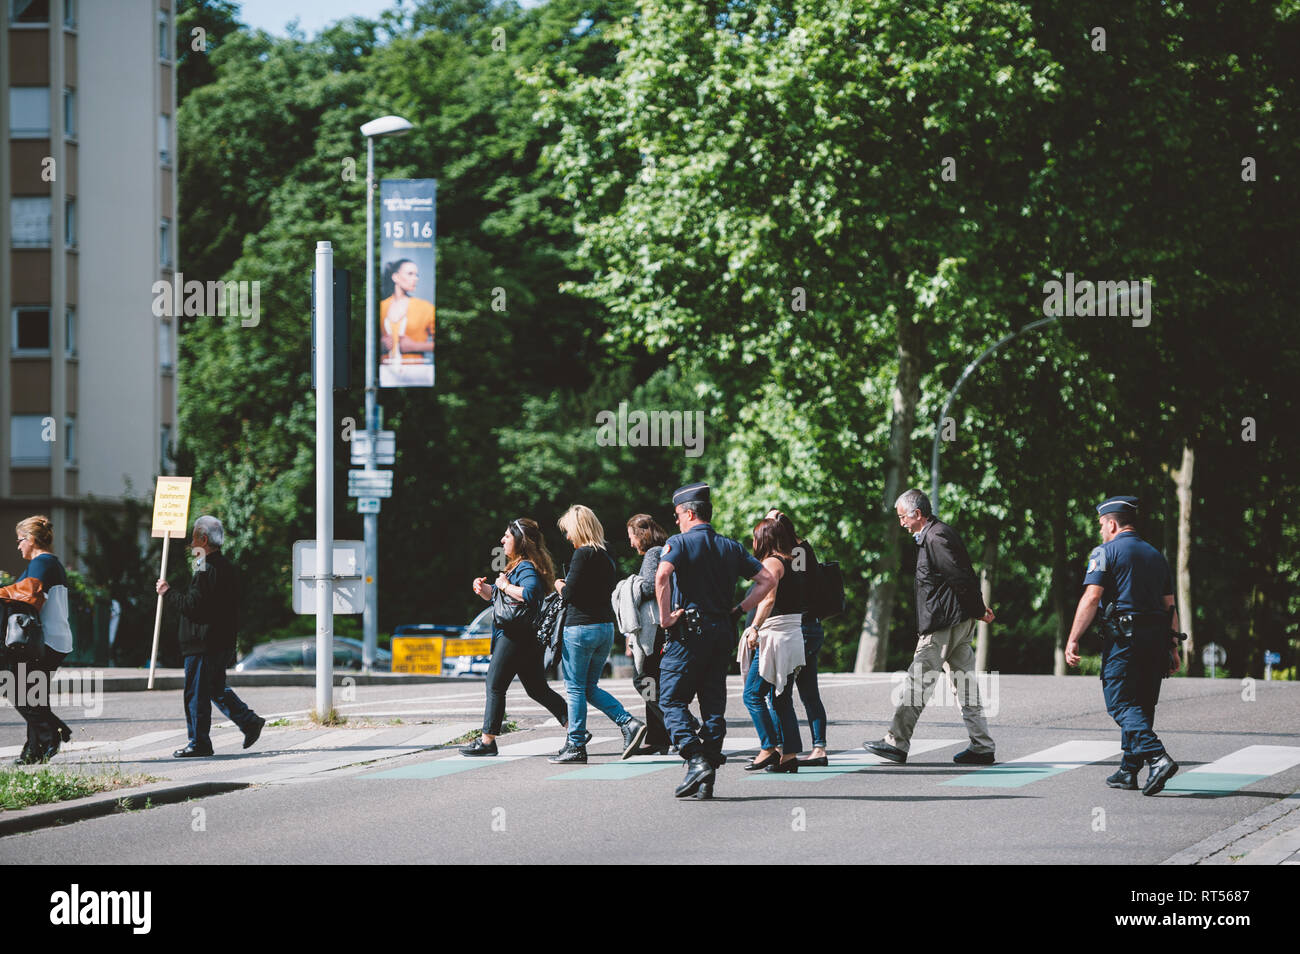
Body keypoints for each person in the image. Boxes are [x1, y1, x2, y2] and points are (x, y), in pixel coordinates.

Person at [656, 482, 777, 799]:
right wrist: (739, 609)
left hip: (689, 634)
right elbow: (766, 579)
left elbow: (661, 576)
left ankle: (695, 759)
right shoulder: (731, 547)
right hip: (722, 630)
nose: (676, 520)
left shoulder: (679, 543)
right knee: (712, 707)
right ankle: (707, 777)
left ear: (689, 512)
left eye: (678, 514)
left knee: (670, 699)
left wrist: (666, 616)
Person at [864, 489, 997, 766]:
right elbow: (963, 574)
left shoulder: (936, 537)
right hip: (957, 622)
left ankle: (896, 743)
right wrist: (976, 610)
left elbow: (960, 576)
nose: (901, 523)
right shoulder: (939, 534)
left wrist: (977, 610)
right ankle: (982, 746)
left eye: (903, 517)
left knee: (917, 684)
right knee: (965, 686)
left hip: (942, 625)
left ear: (918, 514)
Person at [1064, 496, 1182, 795]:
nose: (1101, 530)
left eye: (1102, 524)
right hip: (1156, 640)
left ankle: (1157, 757)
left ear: (1112, 523)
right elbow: (1170, 606)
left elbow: (1092, 597)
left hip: (1126, 639)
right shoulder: (1156, 555)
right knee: (1142, 703)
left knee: (1119, 701)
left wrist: (1074, 638)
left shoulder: (1105, 552)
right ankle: (1129, 770)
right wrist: (1173, 647)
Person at [157, 516, 265, 758]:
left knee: (196, 694)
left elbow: (192, 605)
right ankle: (249, 722)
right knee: (216, 689)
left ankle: (199, 742)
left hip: (202, 644)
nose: (190, 545)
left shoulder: (205, 568)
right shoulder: (226, 567)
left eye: (193, 539)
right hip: (221, 642)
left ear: (203, 539)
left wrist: (167, 592)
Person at [461, 518, 570, 756]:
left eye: (507, 537)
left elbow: (531, 594)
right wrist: (485, 590)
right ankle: (575, 729)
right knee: (537, 689)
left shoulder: (525, 567)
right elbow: (505, 601)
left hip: (514, 636)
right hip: (525, 636)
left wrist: (503, 585)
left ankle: (488, 742)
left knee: (495, 684)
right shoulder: (519, 566)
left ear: (519, 541)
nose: (502, 540)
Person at [550, 505, 645, 764]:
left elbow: (569, 594)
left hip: (580, 629)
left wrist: (560, 584)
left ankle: (576, 745)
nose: (568, 537)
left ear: (578, 529)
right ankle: (629, 724)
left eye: (569, 531)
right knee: (589, 687)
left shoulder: (582, 554)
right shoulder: (607, 554)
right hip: (605, 628)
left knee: (575, 689)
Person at [1, 515, 74, 763]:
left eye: (21, 540)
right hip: (55, 639)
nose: (18, 545)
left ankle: (51, 733)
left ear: (31, 540)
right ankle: (34, 751)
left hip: (44, 641)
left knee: (12, 686)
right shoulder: (48, 563)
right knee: (33, 694)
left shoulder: (41, 563)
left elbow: (28, 593)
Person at [740, 517, 806, 773]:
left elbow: (767, 600)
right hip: (792, 634)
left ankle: (768, 748)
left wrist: (754, 627)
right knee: (781, 698)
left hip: (775, 634)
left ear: (764, 539)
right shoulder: (792, 562)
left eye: (756, 537)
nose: (753, 542)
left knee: (752, 694)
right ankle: (788, 756)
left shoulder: (772, 563)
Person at [768, 509, 830, 766]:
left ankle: (783, 748)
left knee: (779, 691)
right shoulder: (804, 549)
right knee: (809, 692)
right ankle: (819, 747)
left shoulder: (786, 556)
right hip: (812, 626)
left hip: (795, 627)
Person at [379, 258, 434, 364]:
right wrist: (381, 345)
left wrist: (415, 346)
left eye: (416, 275)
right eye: (410, 274)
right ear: (395, 277)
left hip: (415, 373)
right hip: (385, 373)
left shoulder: (425, 307)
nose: (415, 279)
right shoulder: (382, 306)